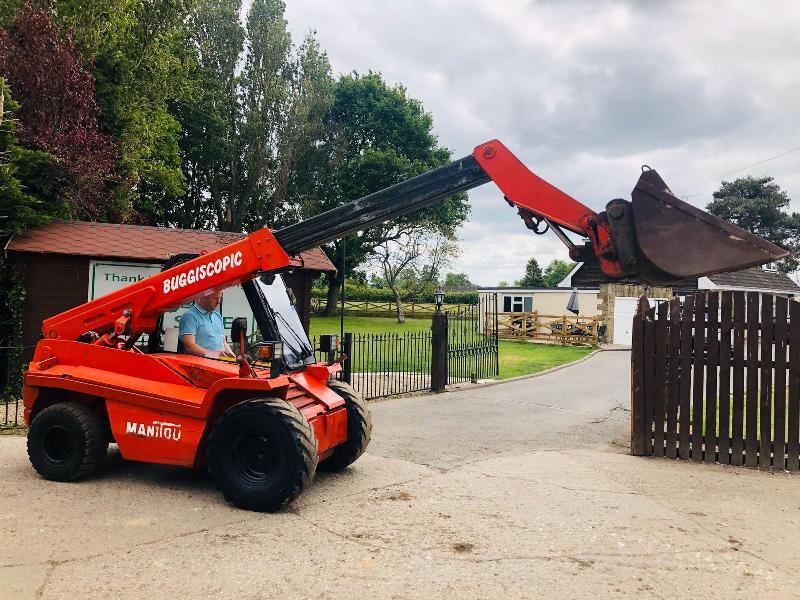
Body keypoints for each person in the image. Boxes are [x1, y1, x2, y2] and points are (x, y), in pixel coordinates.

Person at [178, 289, 235, 358]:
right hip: (201, 364)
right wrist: (213, 355)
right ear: (203, 297)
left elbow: (223, 341)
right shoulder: (189, 316)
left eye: (220, 298)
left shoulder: (217, 316)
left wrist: (231, 355)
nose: (218, 302)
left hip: (219, 362)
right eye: (215, 298)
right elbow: (190, 346)